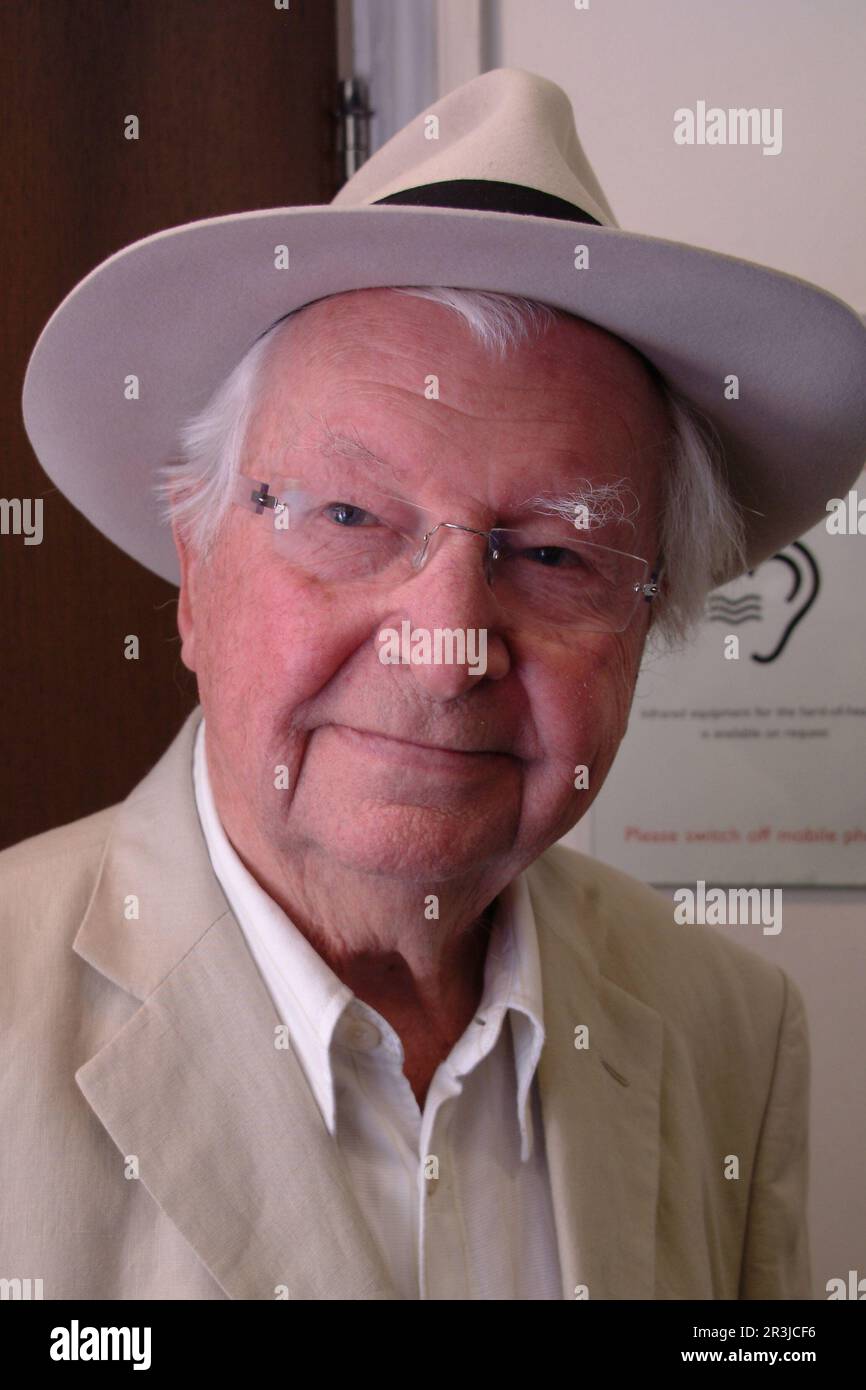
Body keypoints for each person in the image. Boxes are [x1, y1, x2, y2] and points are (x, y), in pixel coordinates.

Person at [4, 68, 866, 1301]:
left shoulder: (729, 1030)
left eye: (559, 553)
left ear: (643, 618)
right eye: (350, 513)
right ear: (197, 571)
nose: (446, 644)